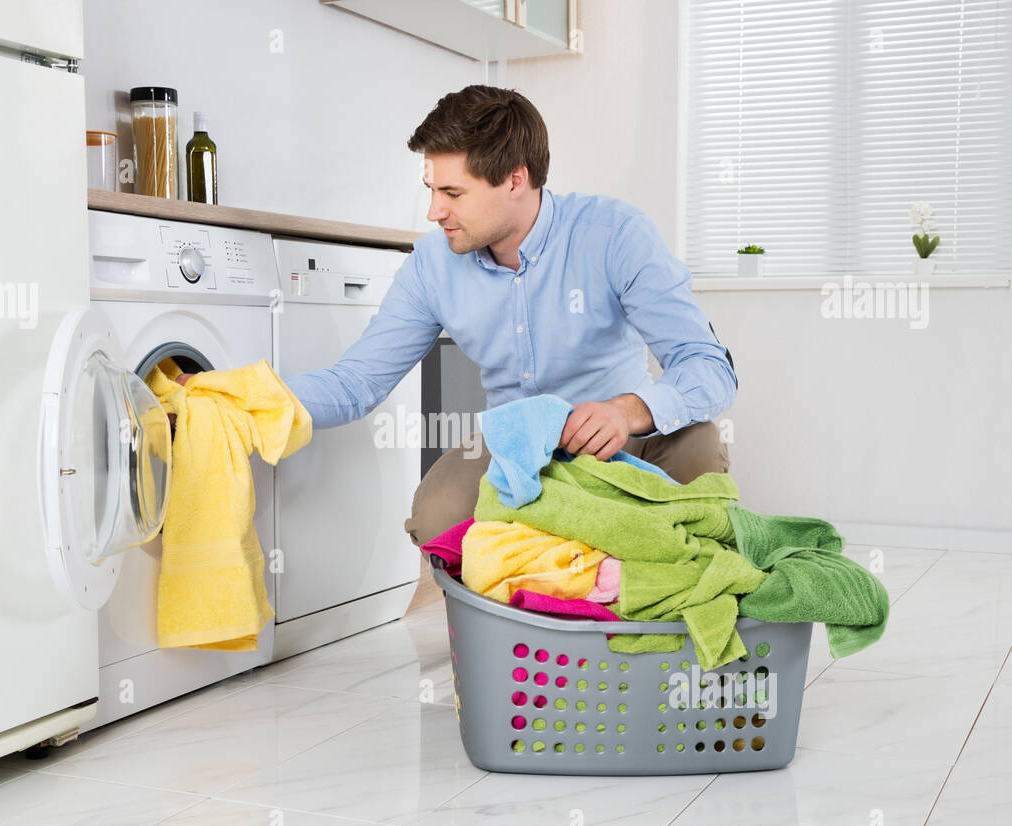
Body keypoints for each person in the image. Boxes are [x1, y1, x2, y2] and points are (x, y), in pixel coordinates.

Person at [283, 84, 736, 549]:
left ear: (515, 180)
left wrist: (628, 411)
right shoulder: (431, 264)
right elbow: (355, 383)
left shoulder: (614, 234)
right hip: (514, 446)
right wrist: (241, 397)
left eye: (452, 192)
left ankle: (654, 596)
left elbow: (708, 366)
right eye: (432, 189)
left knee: (697, 445)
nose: (434, 211)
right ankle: (511, 615)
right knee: (437, 518)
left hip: (620, 441)